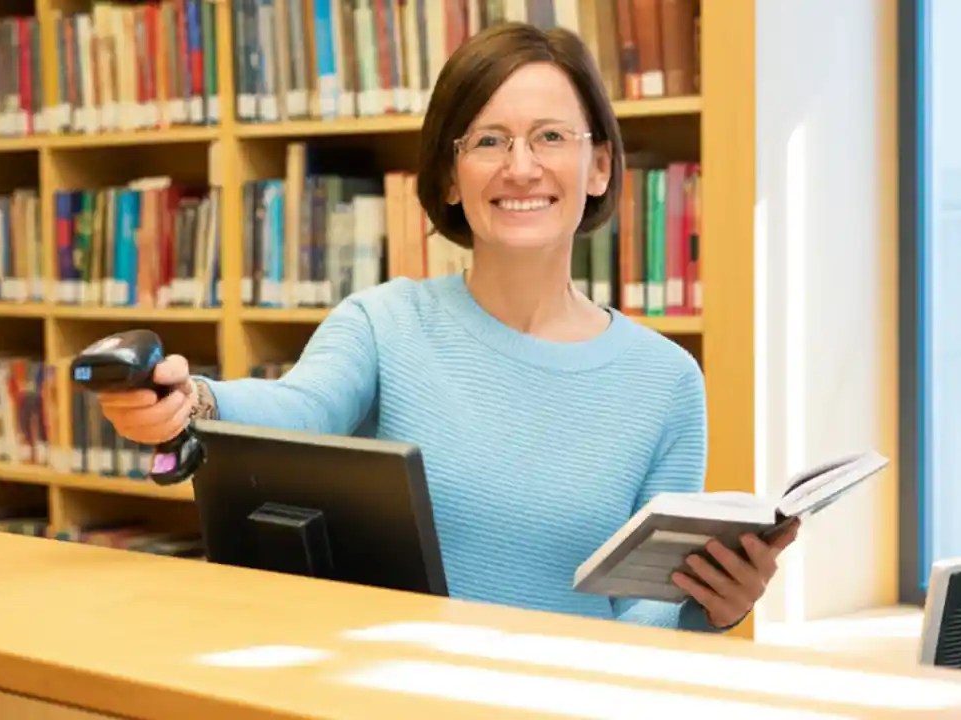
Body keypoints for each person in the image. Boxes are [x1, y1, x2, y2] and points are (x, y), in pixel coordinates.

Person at [97, 22, 798, 631]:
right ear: (451, 178)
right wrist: (193, 405)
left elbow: (639, 616)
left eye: (551, 137)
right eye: (489, 140)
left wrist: (710, 604)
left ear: (599, 166)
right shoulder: (382, 323)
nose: (521, 168)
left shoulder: (667, 382)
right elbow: (299, 409)